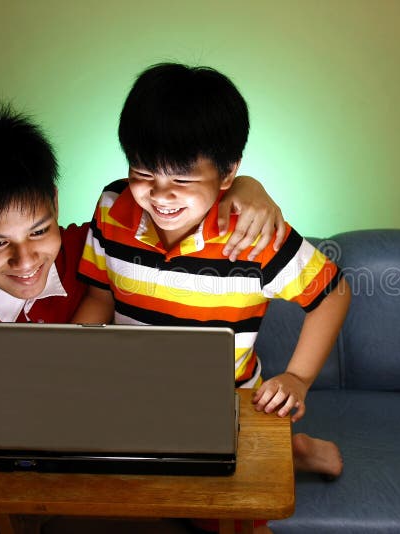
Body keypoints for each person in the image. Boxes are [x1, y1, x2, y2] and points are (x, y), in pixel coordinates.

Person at [0, 100, 286, 534]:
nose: (26, 260)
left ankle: (297, 448)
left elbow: (178, 199)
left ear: (54, 202)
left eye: (38, 231)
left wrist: (245, 188)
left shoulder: (99, 252)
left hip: (85, 459)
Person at [73, 63, 351, 533]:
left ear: (228, 173)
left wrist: (298, 377)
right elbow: (100, 296)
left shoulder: (253, 234)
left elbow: (333, 293)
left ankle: (288, 451)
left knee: (218, 518)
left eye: (182, 180)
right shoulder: (111, 207)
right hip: (131, 398)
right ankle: (288, 452)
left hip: (223, 408)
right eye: (142, 172)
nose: (159, 195)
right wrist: (77, 358)